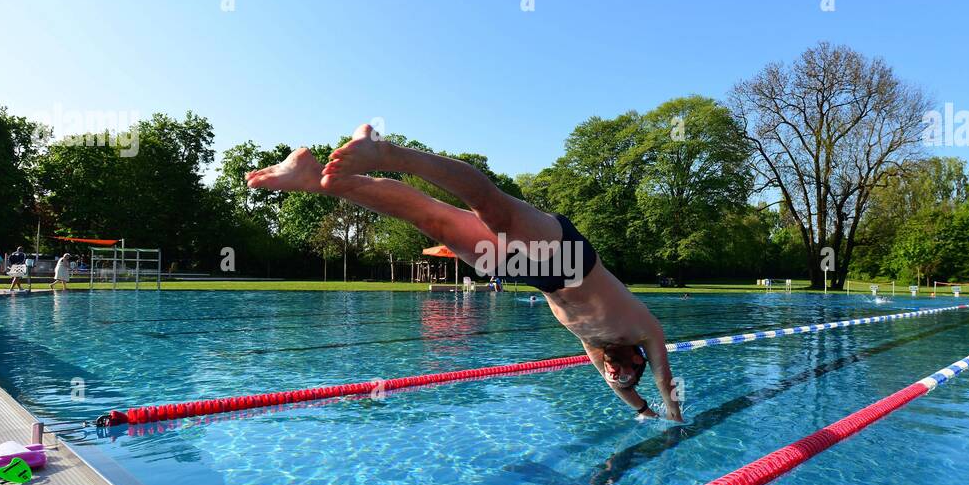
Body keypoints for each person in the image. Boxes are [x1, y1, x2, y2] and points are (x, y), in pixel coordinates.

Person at [247, 124, 683, 420]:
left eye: (616, 377)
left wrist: (642, 412)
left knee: (431, 219)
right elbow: (664, 377)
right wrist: (672, 414)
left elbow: (622, 388)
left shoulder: (594, 344)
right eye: (623, 372)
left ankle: (312, 177)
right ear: (635, 359)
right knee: (495, 210)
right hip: (568, 256)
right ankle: (386, 151)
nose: (615, 375)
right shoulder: (645, 329)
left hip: (532, 273)